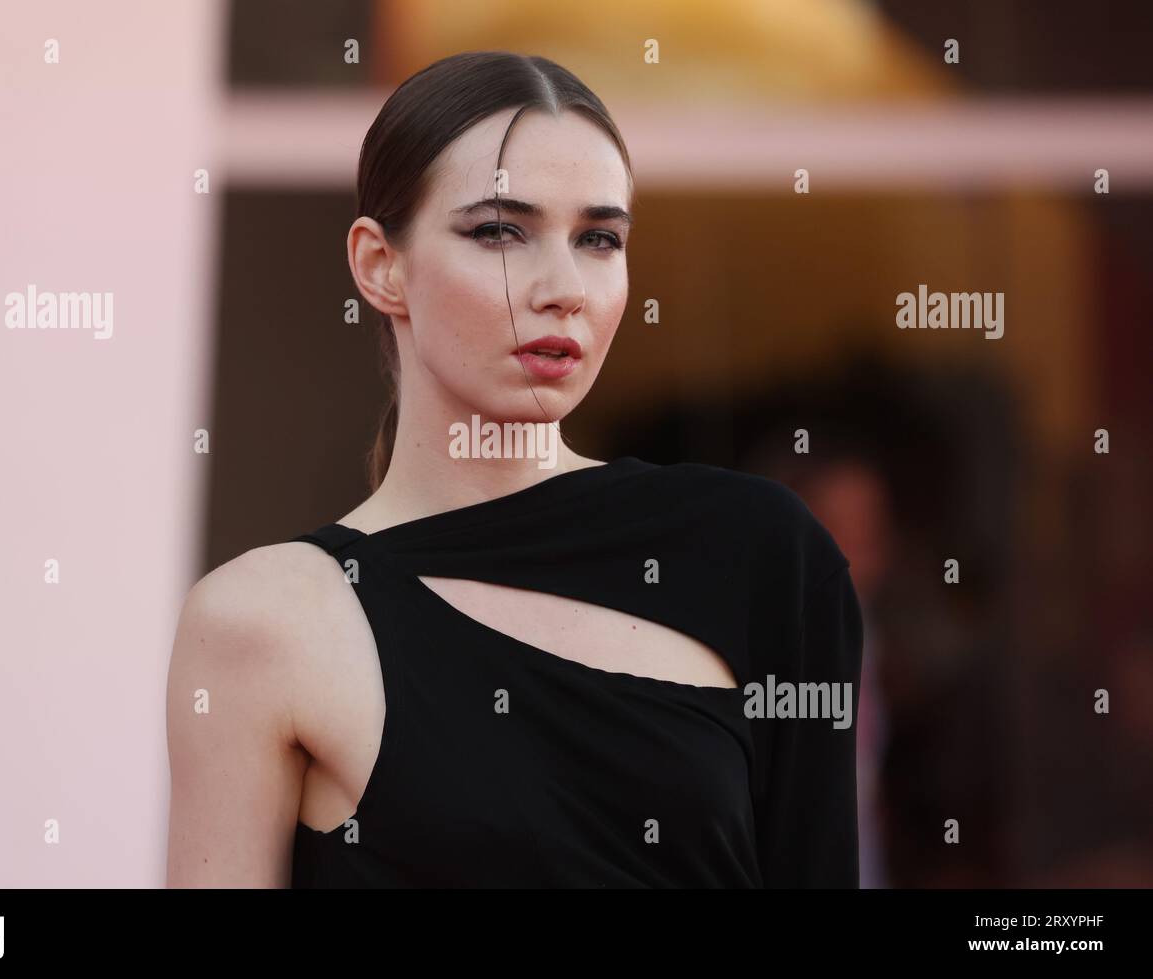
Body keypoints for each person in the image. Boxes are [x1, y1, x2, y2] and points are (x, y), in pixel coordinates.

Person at [165, 51, 863, 888]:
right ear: (379, 266)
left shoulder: (759, 553)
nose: (564, 287)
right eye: (500, 231)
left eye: (599, 238)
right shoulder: (262, 620)